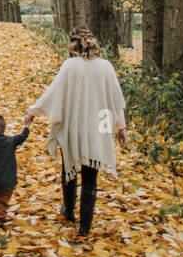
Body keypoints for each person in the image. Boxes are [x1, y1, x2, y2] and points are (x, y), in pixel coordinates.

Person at [24, 25, 127, 237]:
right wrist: (121, 128)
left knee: (68, 167)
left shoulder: (70, 66)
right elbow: (116, 100)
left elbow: (52, 92)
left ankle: (69, 211)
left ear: (72, 43)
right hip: (99, 124)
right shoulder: (106, 66)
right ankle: (85, 227)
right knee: (91, 176)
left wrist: (32, 111)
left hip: (74, 123)